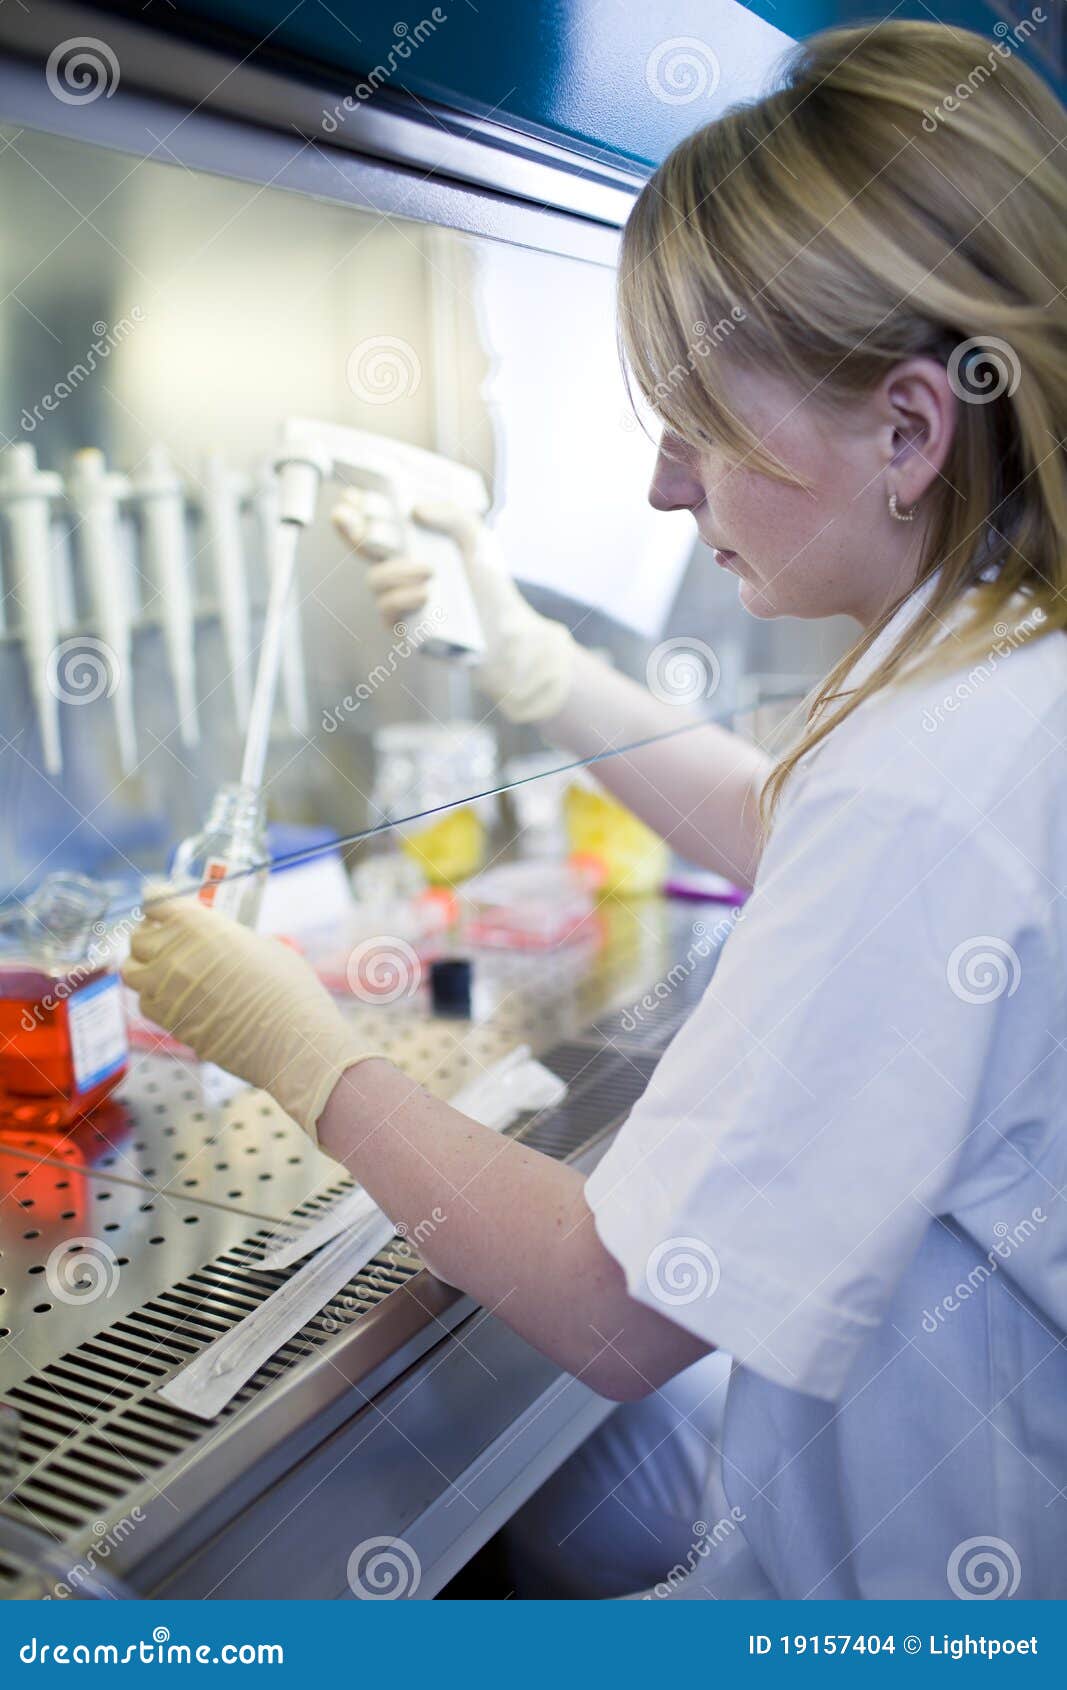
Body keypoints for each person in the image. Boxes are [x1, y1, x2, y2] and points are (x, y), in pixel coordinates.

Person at [124, 20, 1067, 1599]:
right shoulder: (1003, 673)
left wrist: (294, 1044)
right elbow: (796, 825)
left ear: (909, 429)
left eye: (700, 419)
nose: (663, 487)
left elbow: (619, 1307)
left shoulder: (939, 778)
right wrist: (532, 657)